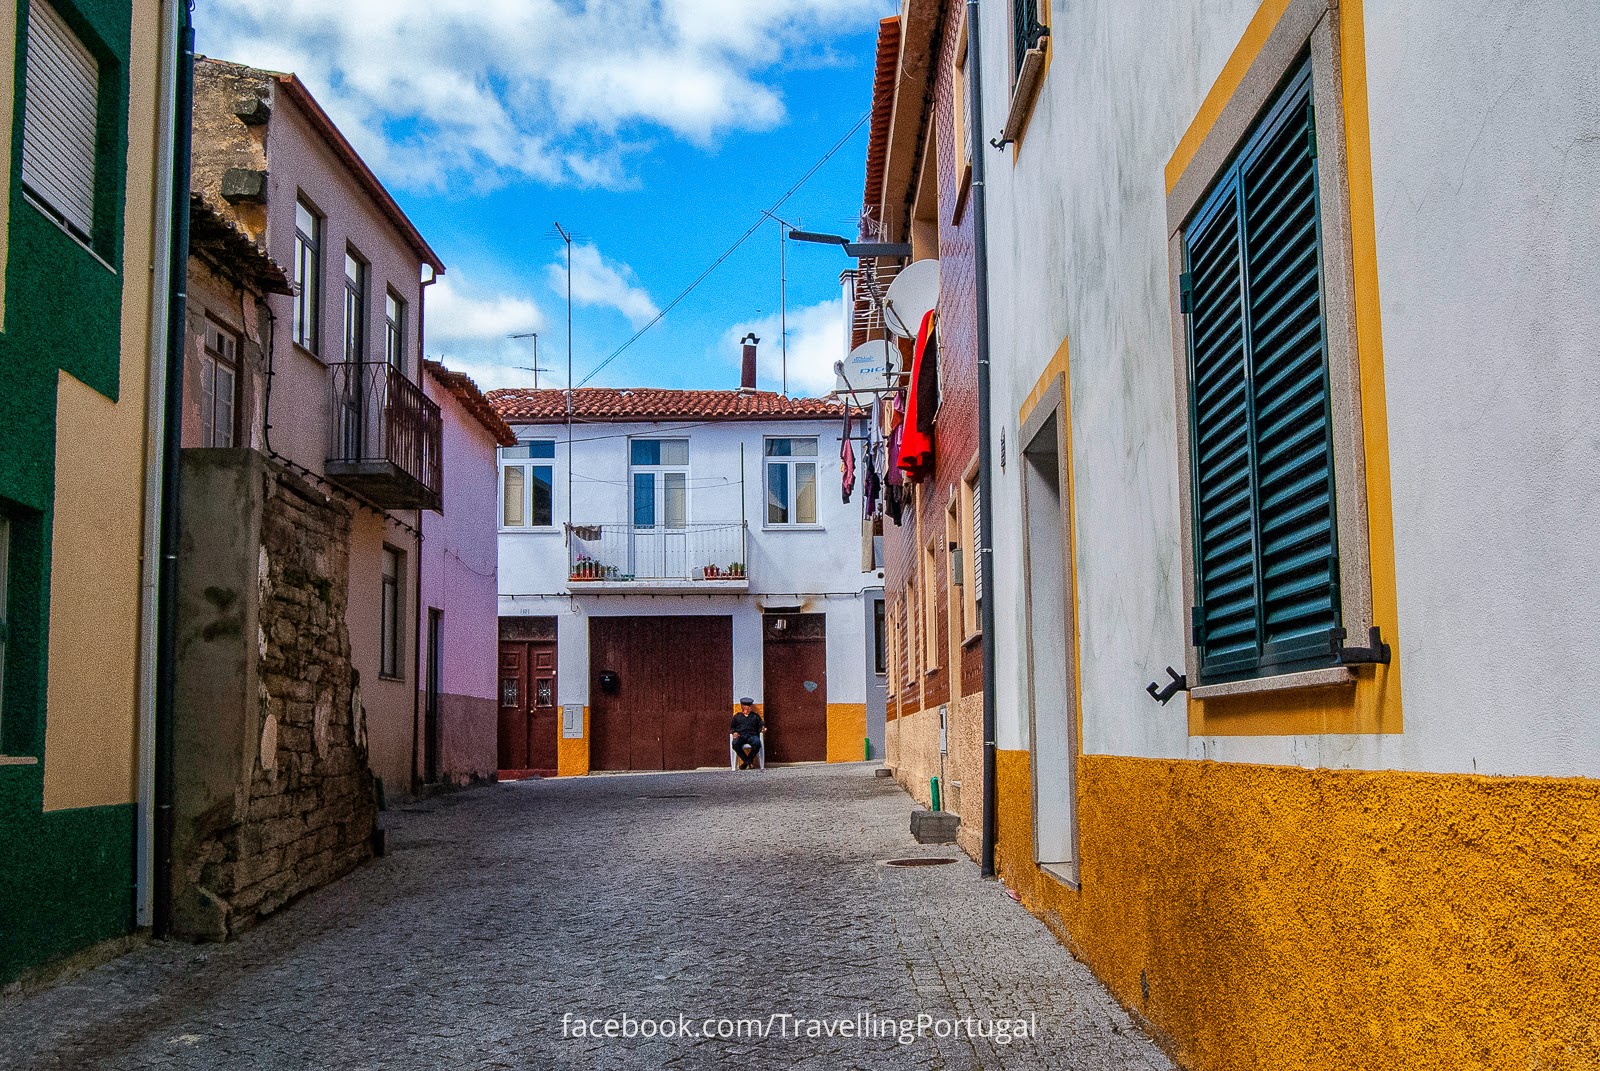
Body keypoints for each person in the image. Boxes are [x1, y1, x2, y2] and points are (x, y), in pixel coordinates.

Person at [730, 698, 764, 770]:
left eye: (749, 706)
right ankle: (748, 761)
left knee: (757, 743)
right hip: (741, 736)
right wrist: (734, 732)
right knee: (735, 743)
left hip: (752, 735)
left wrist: (763, 729)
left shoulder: (755, 716)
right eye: (745, 706)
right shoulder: (737, 716)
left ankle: (746, 762)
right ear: (742, 706)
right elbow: (732, 727)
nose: (747, 707)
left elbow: (761, 725)